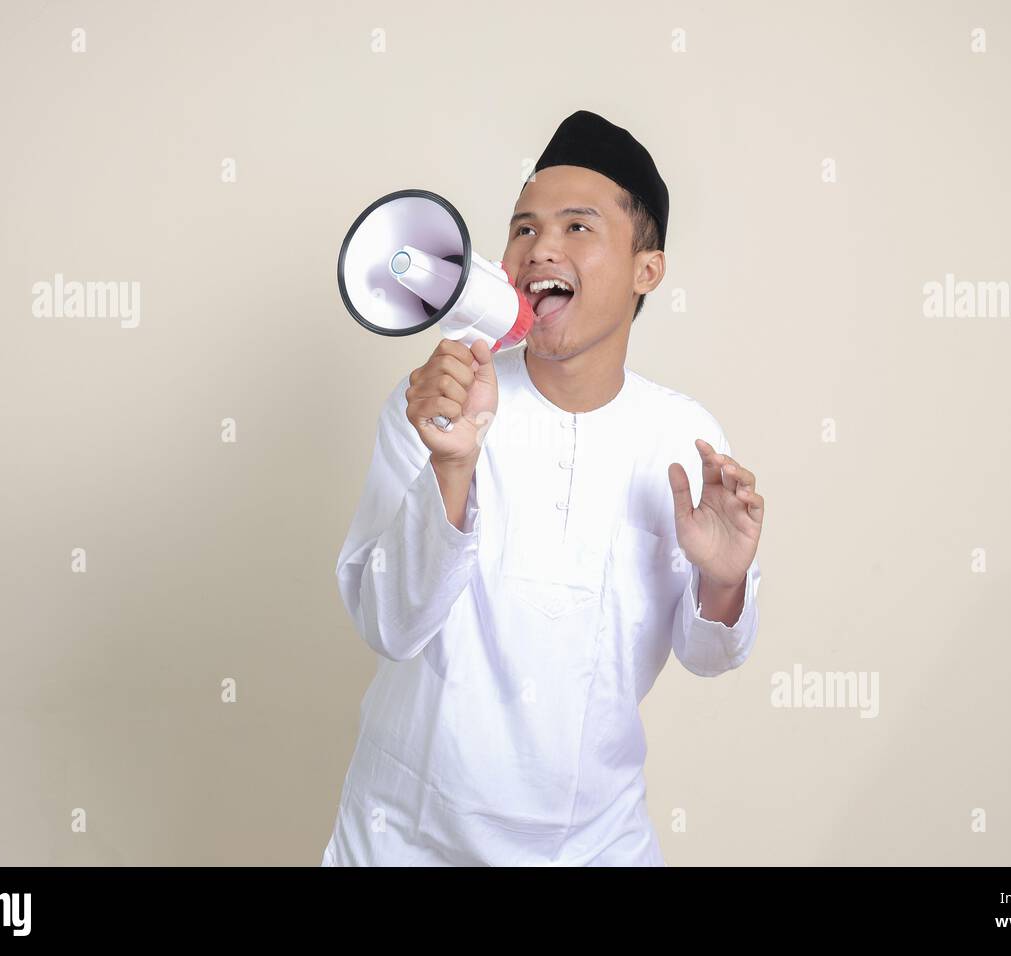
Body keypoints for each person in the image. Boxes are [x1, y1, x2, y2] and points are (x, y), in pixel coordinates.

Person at [322, 110, 765, 866]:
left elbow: (710, 656)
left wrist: (723, 582)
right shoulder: (434, 406)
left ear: (646, 269)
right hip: (404, 838)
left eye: (577, 227)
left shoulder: (683, 437)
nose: (539, 249)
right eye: (523, 229)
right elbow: (388, 626)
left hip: (596, 847)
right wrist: (451, 467)